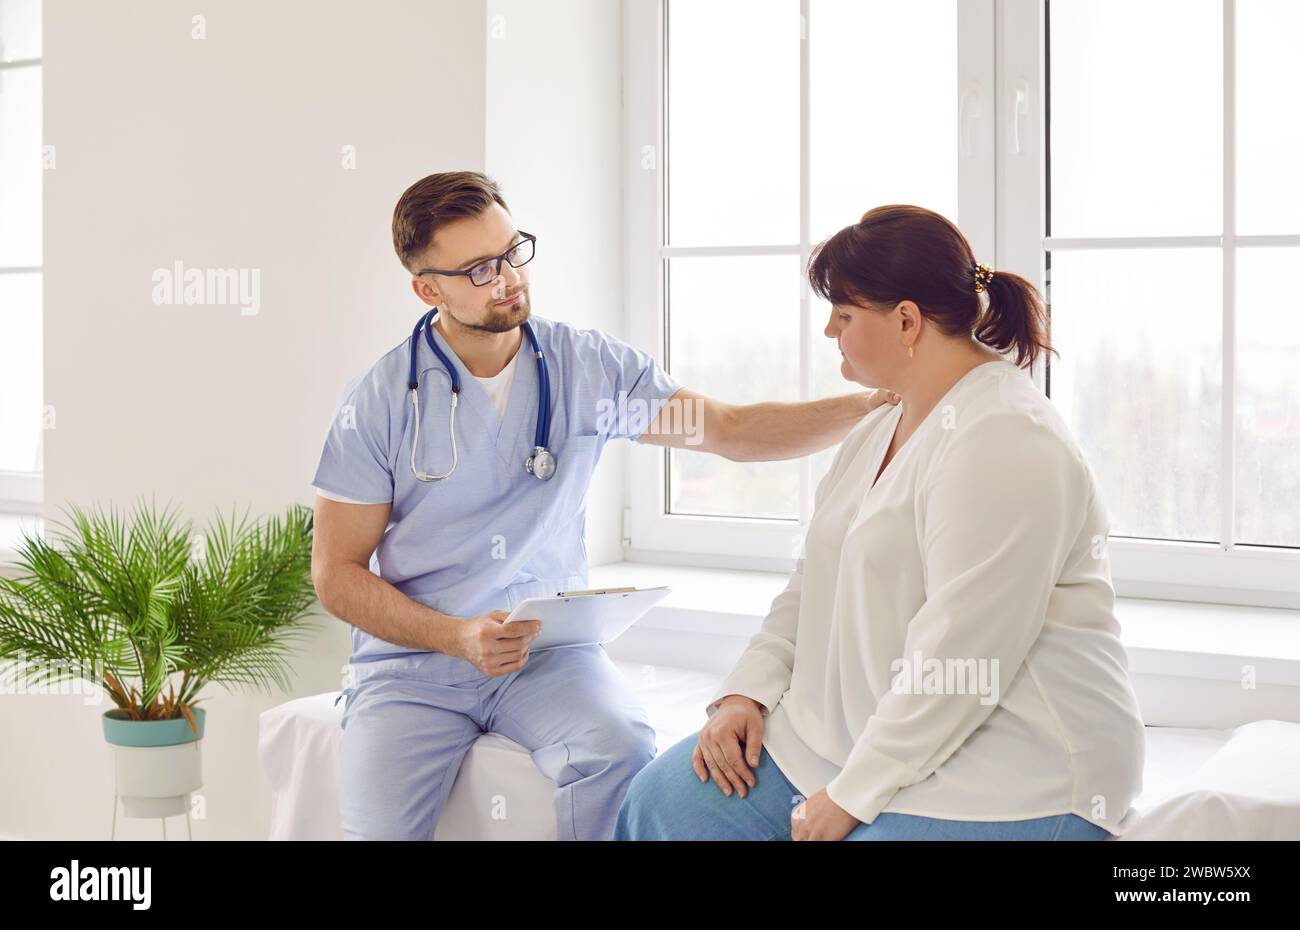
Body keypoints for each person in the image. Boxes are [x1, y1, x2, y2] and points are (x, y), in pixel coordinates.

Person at [310, 171, 897, 840]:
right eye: (478, 270)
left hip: (546, 656)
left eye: (512, 252)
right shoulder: (380, 400)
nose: (508, 279)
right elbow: (336, 573)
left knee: (622, 749)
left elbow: (730, 430)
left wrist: (872, 404)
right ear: (428, 289)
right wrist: (456, 637)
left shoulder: (586, 369)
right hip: (414, 669)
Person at [615, 204, 1147, 841]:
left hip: (1010, 768)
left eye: (843, 315)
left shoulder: (1007, 438)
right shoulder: (881, 424)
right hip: (848, 737)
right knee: (661, 804)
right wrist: (746, 693)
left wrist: (852, 795)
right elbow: (811, 585)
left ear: (906, 321)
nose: (829, 331)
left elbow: (962, 654)